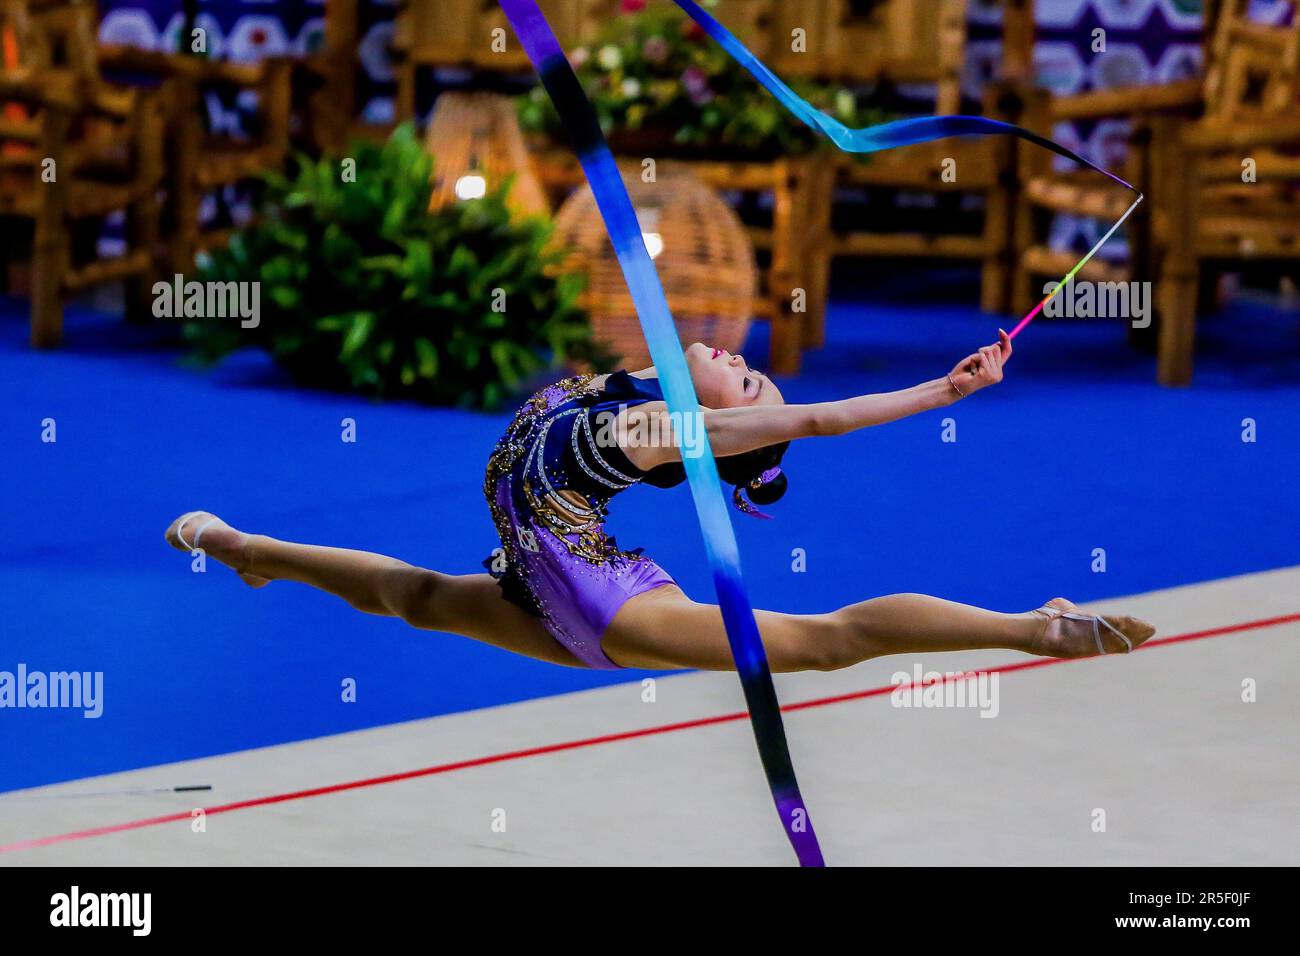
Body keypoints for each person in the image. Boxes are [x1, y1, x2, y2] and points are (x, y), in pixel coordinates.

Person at [166, 332, 1154, 672]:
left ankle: (1034, 628)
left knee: (823, 640)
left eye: (750, 382)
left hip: (603, 600)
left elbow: (824, 421)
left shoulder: (677, 432)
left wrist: (948, 390)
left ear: (732, 425)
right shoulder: (617, 390)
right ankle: (252, 549)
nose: (740, 362)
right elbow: (666, 349)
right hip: (538, 577)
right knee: (414, 596)